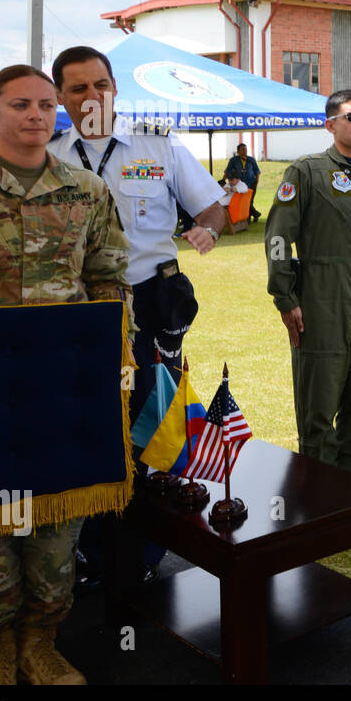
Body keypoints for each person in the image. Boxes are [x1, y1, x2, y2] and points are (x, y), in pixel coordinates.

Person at [0, 64, 131, 684]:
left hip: (61, 397)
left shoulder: (86, 191)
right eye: (20, 105)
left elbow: (107, 280)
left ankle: (40, 644)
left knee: (54, 534)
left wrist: (112, 359)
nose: (37, 116)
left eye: (47, 104)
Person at [47, 45, 224, 588]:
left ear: (115, 88)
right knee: (90, 425)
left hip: (149, 303)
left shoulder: (157, 144)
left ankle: (145, 556)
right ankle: (96, 551)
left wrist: (208, 229)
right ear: (60, 97)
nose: (91, 96)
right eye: (77, 88)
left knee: (150, 419)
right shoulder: (49, 154)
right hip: (78, 309)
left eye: (100, 84)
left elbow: (212, 204)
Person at [264, 89, 351, 480]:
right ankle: (320, 502)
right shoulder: (306, 172)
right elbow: (277, 238)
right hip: (322, 302)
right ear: (330, 125)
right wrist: (286, 297)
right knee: (319, 410)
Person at [224, 142, 261, 222]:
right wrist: (223, 180)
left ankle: (249, 217)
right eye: (243, 150)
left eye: (246, 150)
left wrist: (257, 181)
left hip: (251, 183)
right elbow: (227, 171)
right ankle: (254, 215)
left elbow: (257, 171)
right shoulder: (233, 160)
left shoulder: (251, 159)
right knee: (244, 201)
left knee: (249, 201)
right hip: (239, 185)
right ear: (238, 151)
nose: (245, 151)